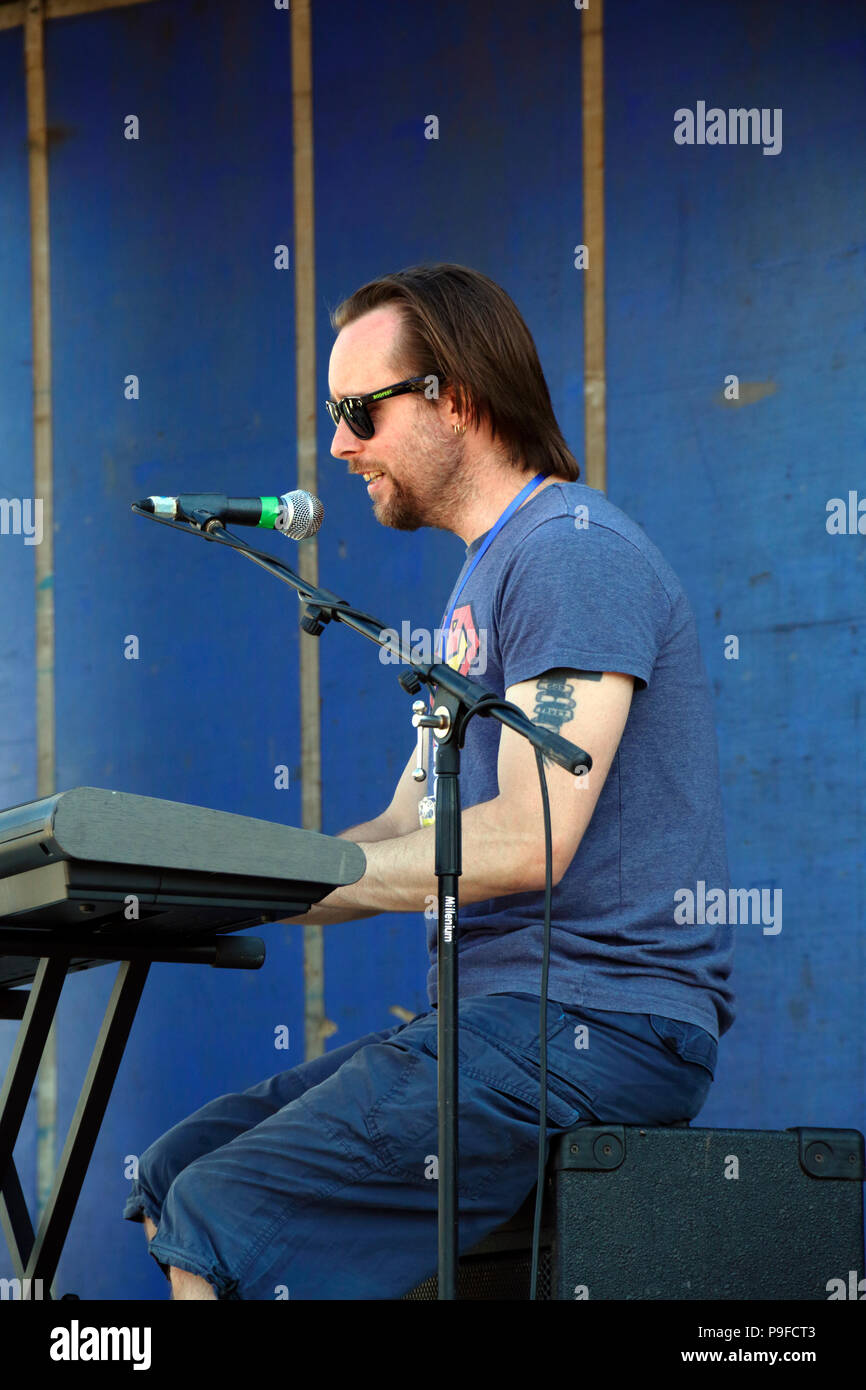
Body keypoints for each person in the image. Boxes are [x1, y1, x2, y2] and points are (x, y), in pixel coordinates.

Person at [123, 263, 734, 1300]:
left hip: (608, 1019)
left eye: (357, 410)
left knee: (219, 1206)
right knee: (181, 1163)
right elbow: (409, 823)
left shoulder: (566, 555)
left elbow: (526, 841)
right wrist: (220, 883)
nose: (335, 445)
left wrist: (285, 882)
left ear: (451, 397)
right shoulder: (488, 575)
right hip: (499, 1017)